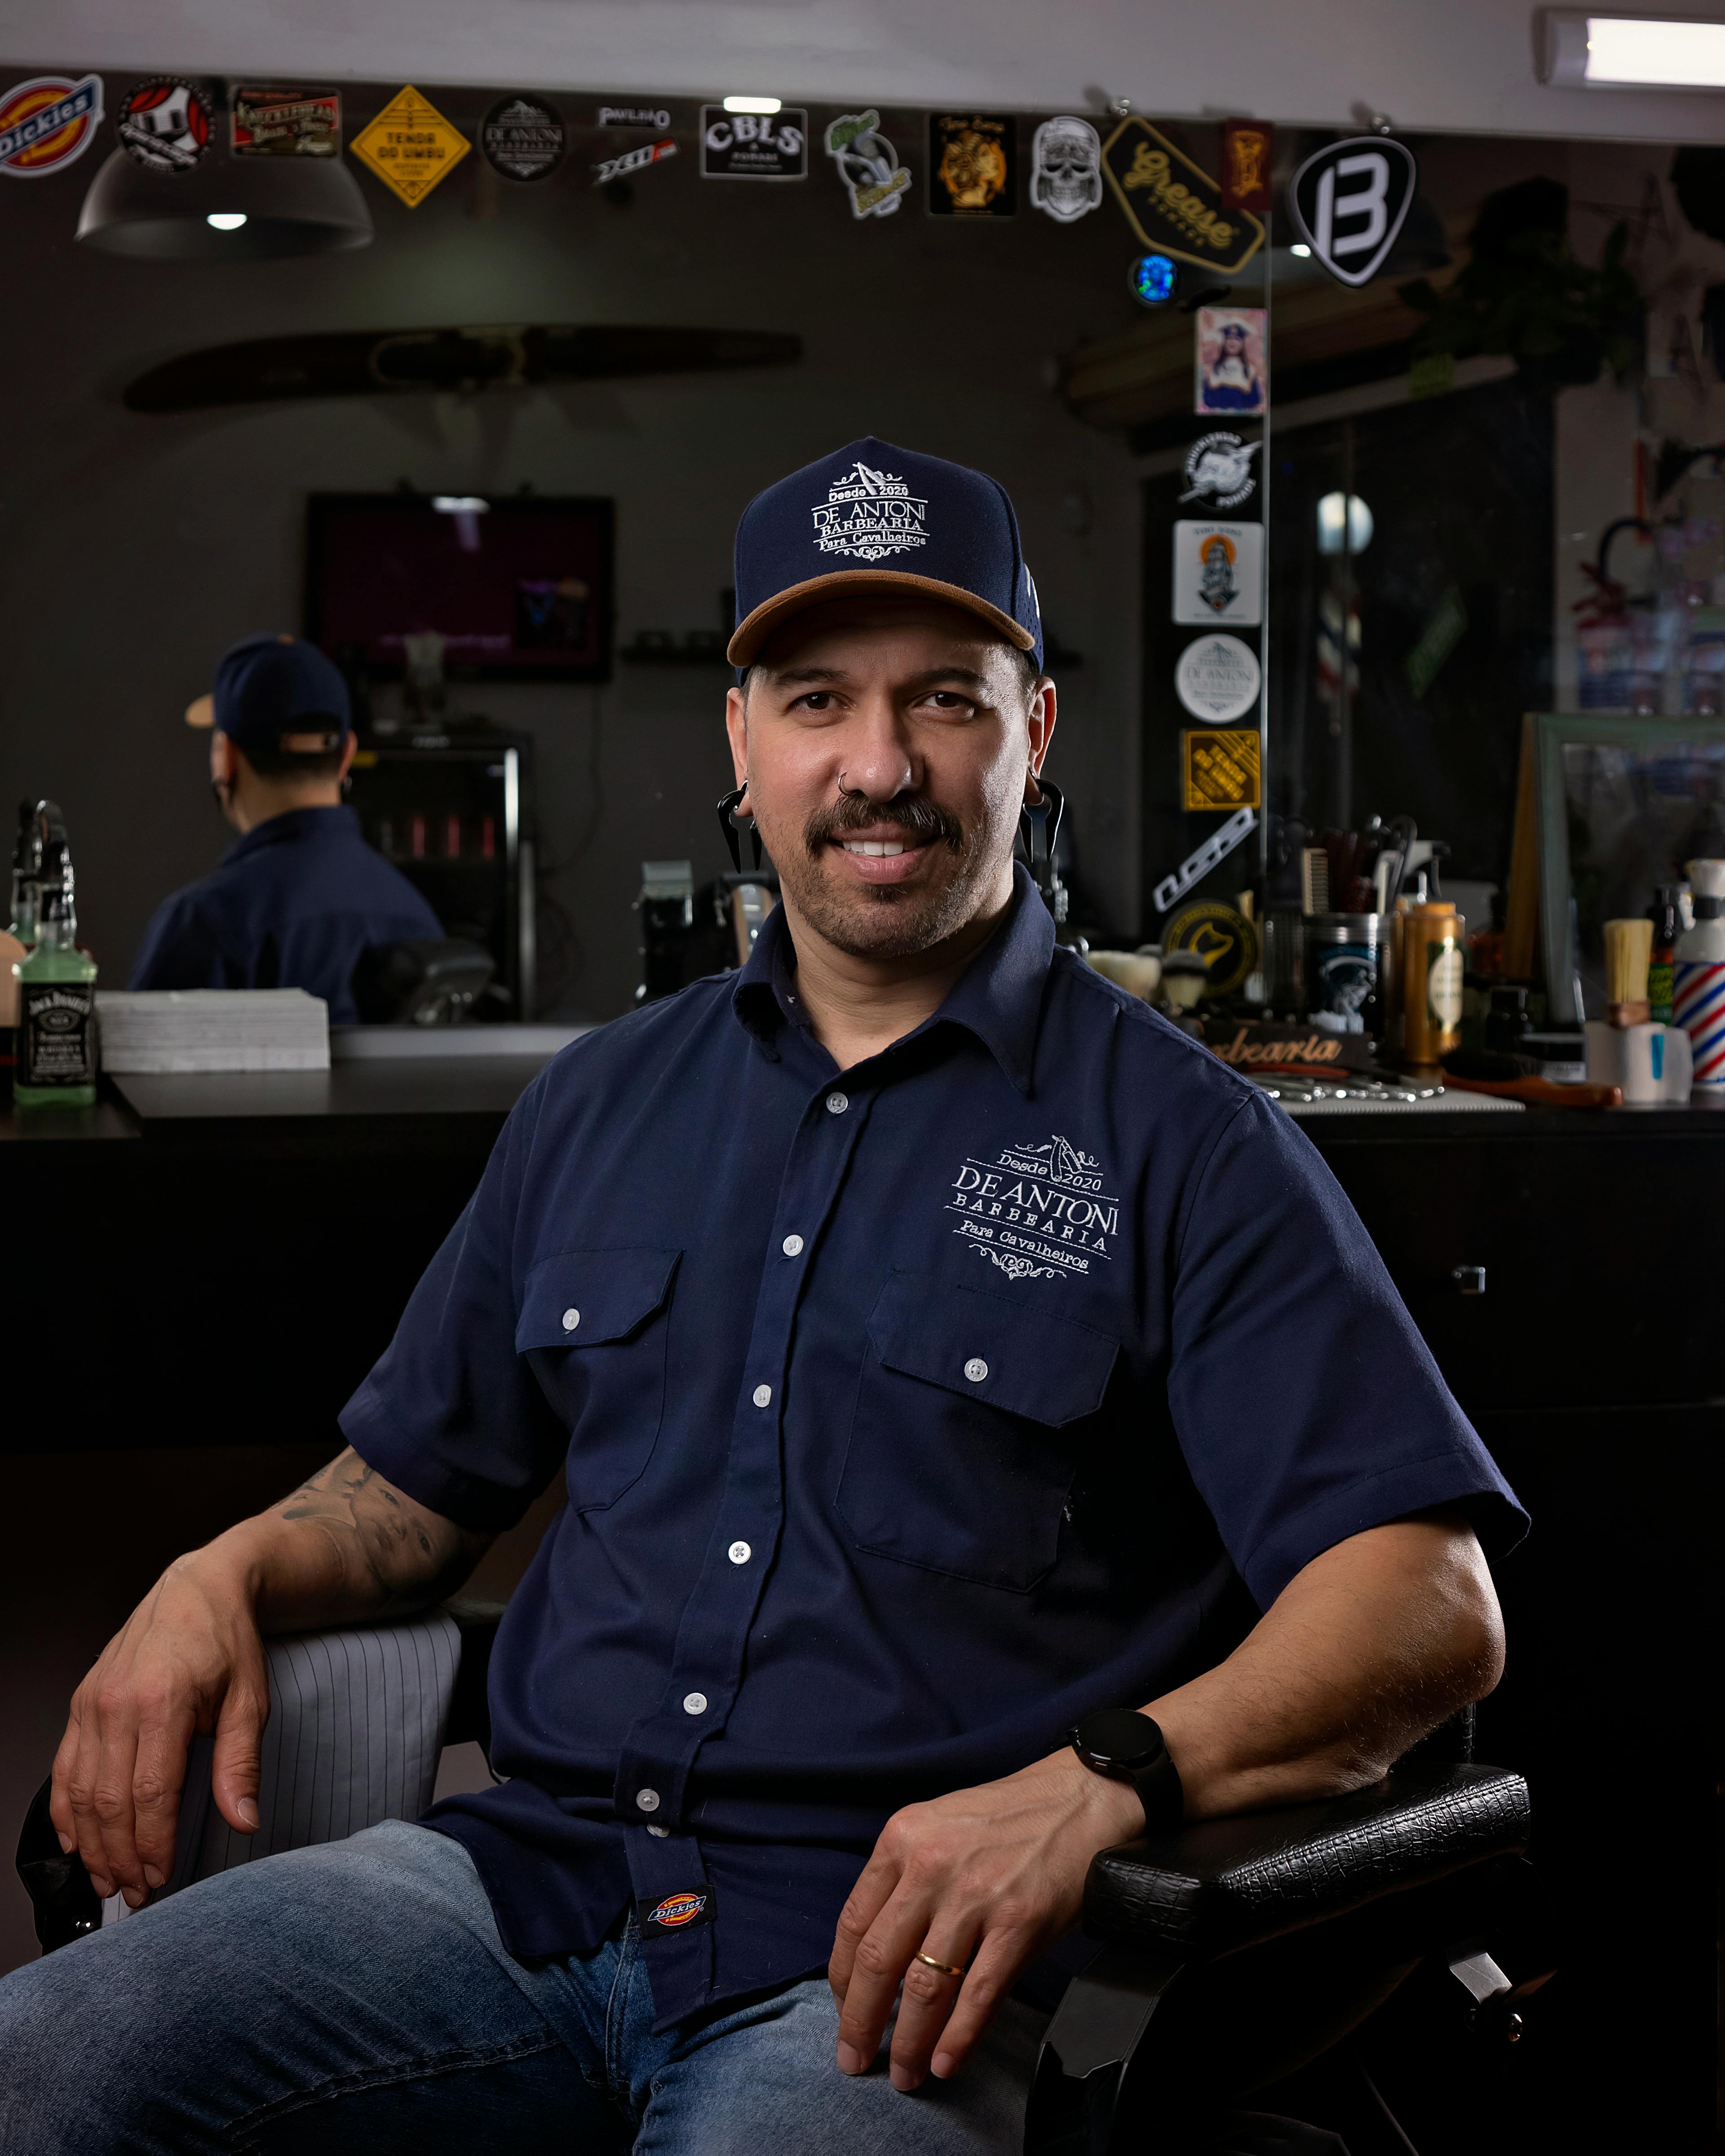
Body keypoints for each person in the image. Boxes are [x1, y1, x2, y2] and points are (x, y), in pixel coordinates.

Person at [0, 439, 1524, 2155]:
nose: (879, 766)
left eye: (943, 699)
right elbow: (408, 1497)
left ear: (1034, 727)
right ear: (741, 741)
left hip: (900, 1972)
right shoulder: (598, 1101)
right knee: (36, 2061)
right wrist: (218, 1572)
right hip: (523, 1890)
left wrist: (1110, 1775)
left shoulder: (1184, 1141)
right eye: (817, 700)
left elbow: (1428, 1603)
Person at [128, 633, 442, 1022]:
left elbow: (134, 1079)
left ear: (227, 759)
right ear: (345, 755)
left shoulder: (203, 925)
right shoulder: (417, 916)